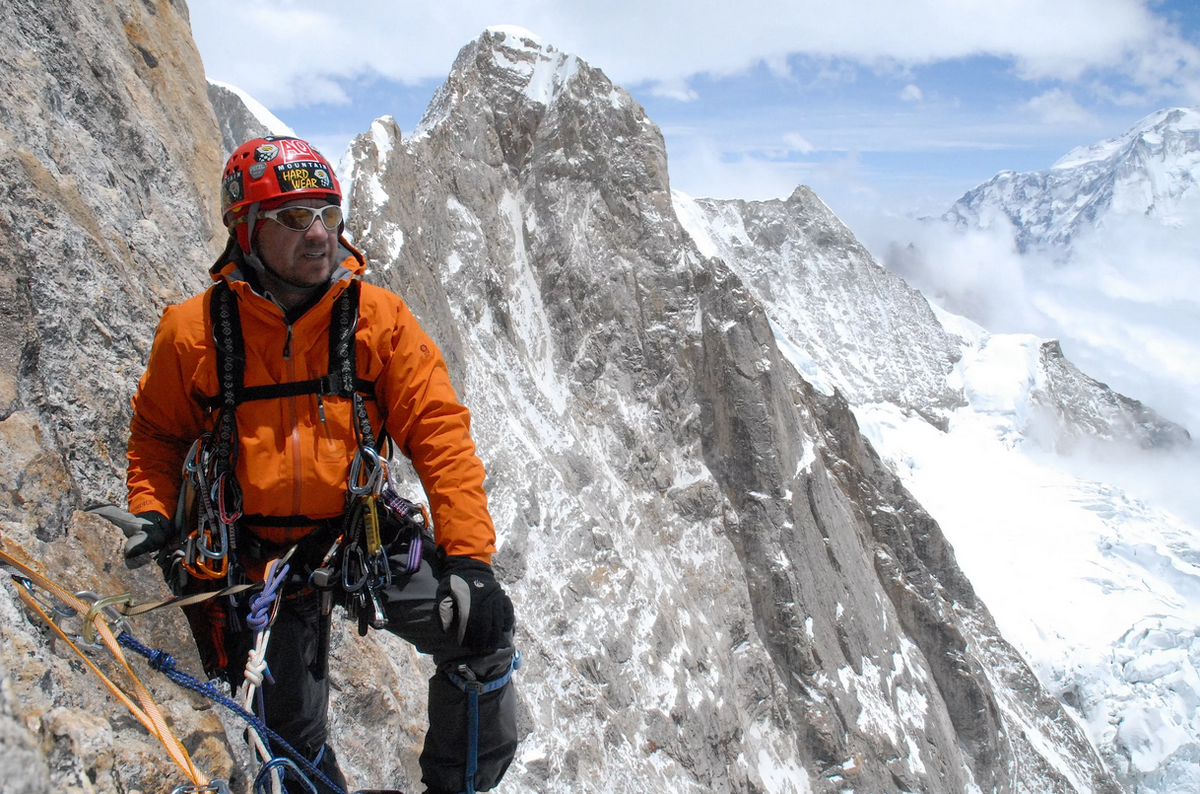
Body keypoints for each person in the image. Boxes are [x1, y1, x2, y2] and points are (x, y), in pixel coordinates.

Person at [121, 136, 518, 794]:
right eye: (294, 218)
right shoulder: (194, 333)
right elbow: (159, 435)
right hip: (261, 560)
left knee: (480, 633)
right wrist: (153, 510)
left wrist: (470, 561)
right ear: (244, 230)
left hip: (361, 537)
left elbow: (439, 435)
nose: (319, 234)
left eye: (328, 215)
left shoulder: (378, 323)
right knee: (289, 737)